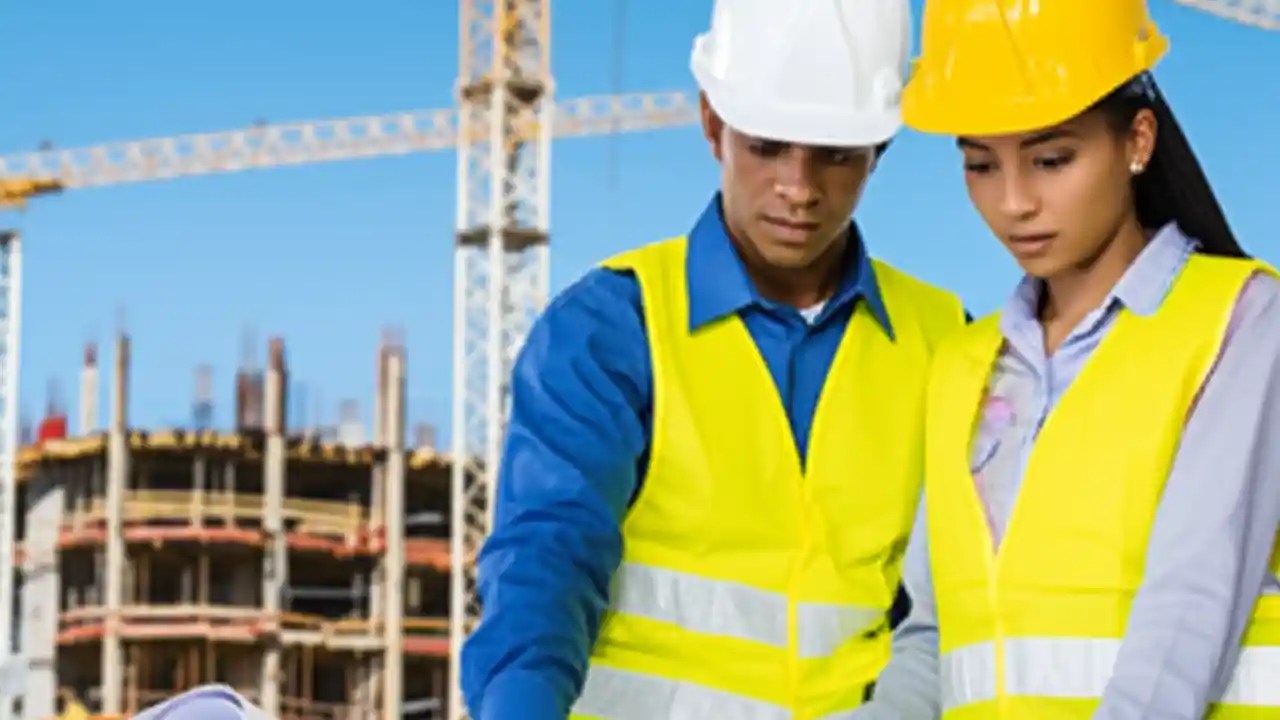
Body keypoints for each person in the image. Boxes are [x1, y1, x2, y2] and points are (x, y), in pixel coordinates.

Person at [458, 1, 968, 718]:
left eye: (836, 154)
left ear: (879, 147)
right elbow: (547, 563)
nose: (799, 187)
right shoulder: (611, 330)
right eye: (767, 146)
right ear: (712, 122)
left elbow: (957, 612)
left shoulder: (945, 341)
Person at [854, 0, 1280, 718]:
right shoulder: (962, 366)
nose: (1014, 202)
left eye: (1052, 160)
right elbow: (934, 640)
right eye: (981, 165)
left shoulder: (1243, 322)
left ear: (1138, 140)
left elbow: (1190, 609)